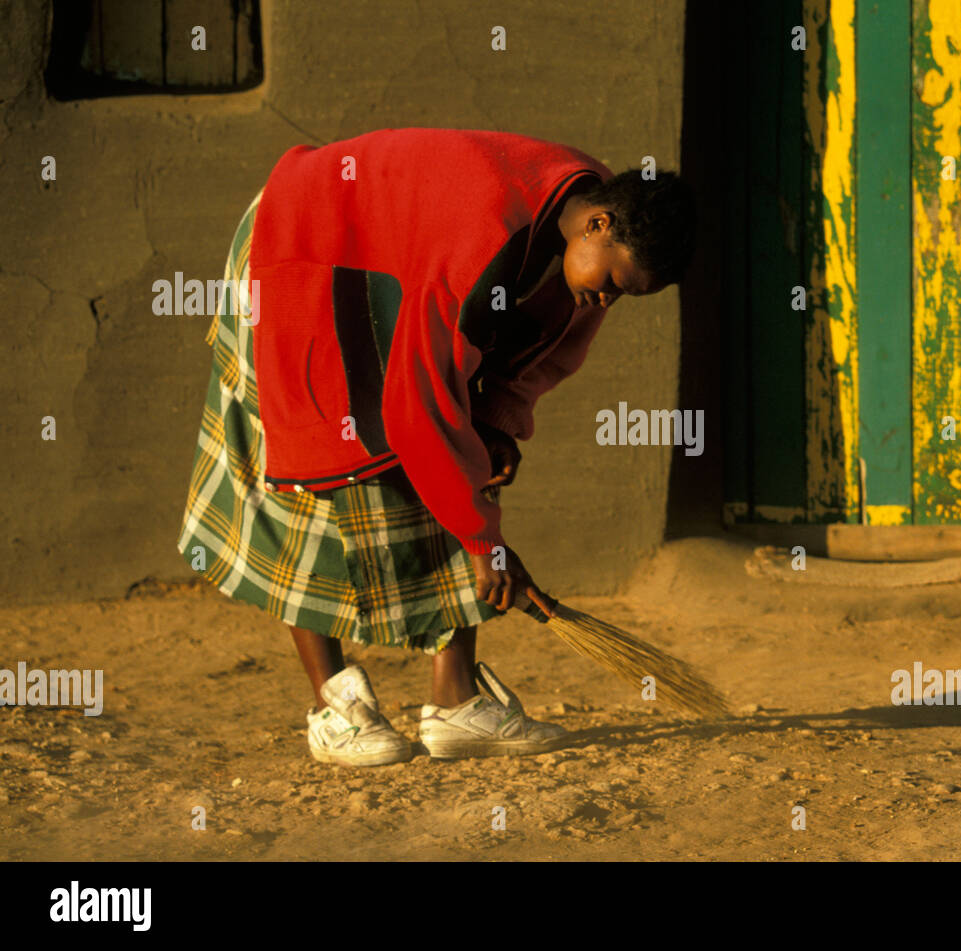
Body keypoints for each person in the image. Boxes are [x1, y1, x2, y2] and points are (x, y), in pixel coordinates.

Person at [177, 128, 695, 766]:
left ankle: (456, 704)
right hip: (300, 236)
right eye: (611, 283)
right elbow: (417, 411)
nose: (605, 300)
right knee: (309, 462)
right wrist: (484, 543)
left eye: (622, 295)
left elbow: (547, 340)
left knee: (465, 460)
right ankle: (332, 706)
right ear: (598, 224)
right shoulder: (483, 233)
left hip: (394, 263)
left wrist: (498, 421)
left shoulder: (588, 218)